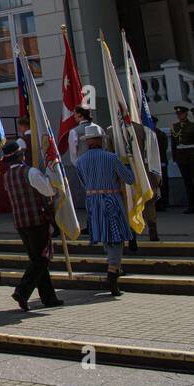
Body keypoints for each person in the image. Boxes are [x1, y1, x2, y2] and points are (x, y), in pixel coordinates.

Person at [0, 141, 61, 311]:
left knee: (37, 260)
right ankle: (22, 291)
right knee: (42, 259)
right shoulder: (30, 172)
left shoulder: (6, 176)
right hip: (36, 220)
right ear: (21, 156)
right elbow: (49, 190)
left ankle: (49, 298)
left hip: (20, 222)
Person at [73, 125, 134, 296]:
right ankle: (112, 274)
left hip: (92, 201)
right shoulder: (111, 157)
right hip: (111, 199)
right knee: (116, 237)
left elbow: (84, 183)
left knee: (106, 237)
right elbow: (129, 179)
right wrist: (128, 162)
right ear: (101, 140)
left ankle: (114, 266)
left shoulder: (80, 161)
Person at [169, 105, 194, 213]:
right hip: (181, 158)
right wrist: (174, 158)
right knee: (187, 182)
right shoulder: (175, 127)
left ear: (186, 114)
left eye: (181, 114)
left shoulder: (193, 126)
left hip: (192, 156)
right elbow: (173, 144)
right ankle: (191, 205)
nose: (180, 116)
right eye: (178, 114)